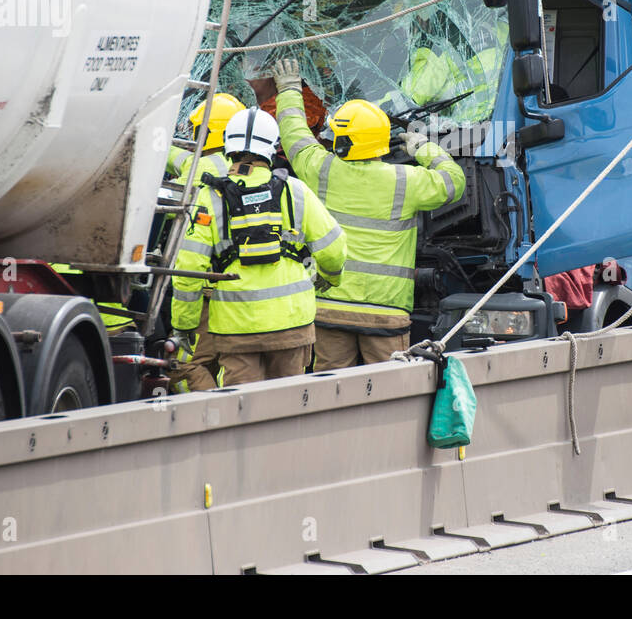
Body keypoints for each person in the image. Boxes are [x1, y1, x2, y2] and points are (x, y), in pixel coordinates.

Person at [272, 58, 465, 368]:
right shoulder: (407, 181)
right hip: (385, 314)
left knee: (329, 392)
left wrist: (289, 90)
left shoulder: (322, 169)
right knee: (391, 394)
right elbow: (453, 182)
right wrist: (424, 148)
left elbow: (294, 134)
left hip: (329, 308)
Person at [168, 106, 346, 390]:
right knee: (289, 406)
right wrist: (330, 277)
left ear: (229, 146)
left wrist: (185, 326)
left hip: (237, 328)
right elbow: (334, 247)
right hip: (292, 324)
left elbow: (189, 269)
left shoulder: (208, 197)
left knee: (243, 411)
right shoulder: (294, 191)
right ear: (273, 147)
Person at [164, 92, 244, 185]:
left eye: (192, 129)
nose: (187, 136)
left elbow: (160, 194)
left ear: (206, 132)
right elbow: (184, 160)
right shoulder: (232, 161)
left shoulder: (204, 167)